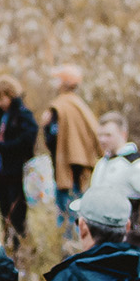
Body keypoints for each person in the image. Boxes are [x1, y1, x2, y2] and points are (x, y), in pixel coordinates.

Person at [90, 112, 140, 245]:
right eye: (100, 135)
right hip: (100, 234)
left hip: (125, 238)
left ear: (123, 134)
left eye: (108, 135)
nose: (102, 140)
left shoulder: (135, 163)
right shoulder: (101, 163)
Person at [0, 77, 37, 245]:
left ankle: (21, 245)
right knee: (3, 212)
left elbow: (26, 142)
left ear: (9, 95)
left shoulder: (23, 115)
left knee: (17, 213)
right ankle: (8, 244)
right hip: (0, 173)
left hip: (16, 172)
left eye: (0, 98)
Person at [42, 64, 99, 226]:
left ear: (64, 83)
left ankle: (69, 245)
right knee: (77, 206)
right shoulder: (80, 105)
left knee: (68, 209)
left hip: (68, 166)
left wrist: (47, 124)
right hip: (78, 163)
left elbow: (53, 136)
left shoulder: (60, 106)